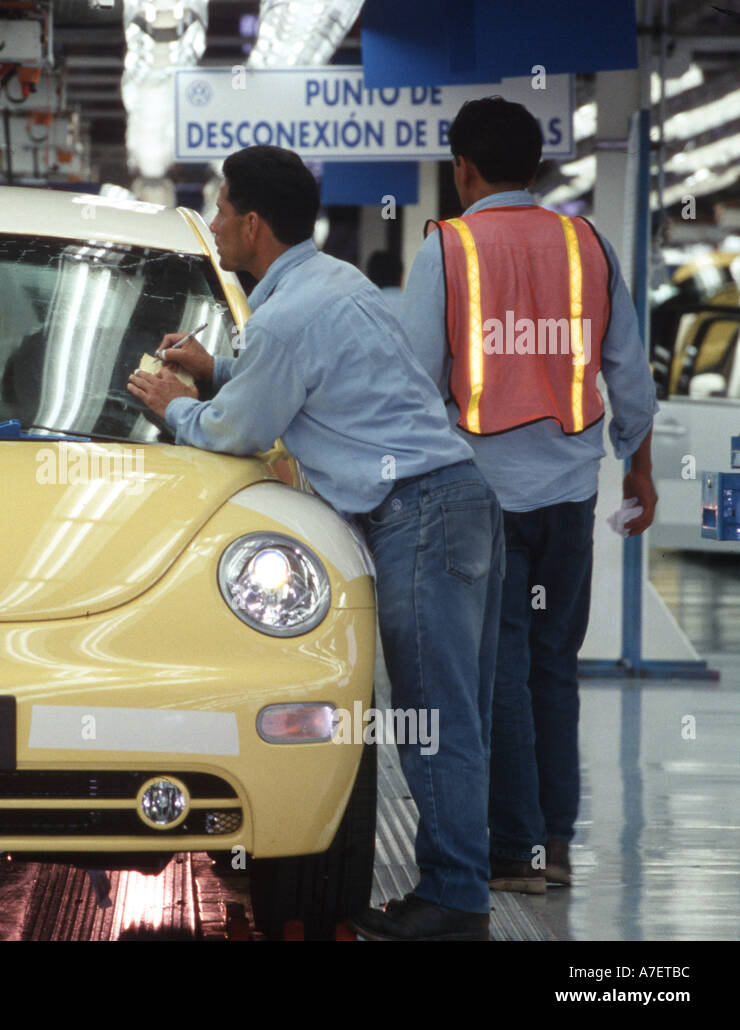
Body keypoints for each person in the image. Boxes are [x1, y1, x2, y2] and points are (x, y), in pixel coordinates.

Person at [127, 145, 504, 941]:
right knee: (456, 710)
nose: (219, 224)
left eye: (224, 210)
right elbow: (295, 379)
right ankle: (458, 887)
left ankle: (456, 902)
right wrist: (220, 366)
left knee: (436, 715)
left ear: (253, 223)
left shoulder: (286, 317)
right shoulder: (335, 284)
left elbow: (236, 433)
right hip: (458, 501)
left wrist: (174, 401)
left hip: (421, 516)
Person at [400, 97, 659, 893]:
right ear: (538, 168)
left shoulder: (449, 248)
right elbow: (630, 373)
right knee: (554, 667)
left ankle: (513, 851)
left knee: (500, 671)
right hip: (571, 493)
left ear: (464, 170)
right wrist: (639, 467)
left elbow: (415, 381)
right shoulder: (588, 245)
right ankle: (554, 841)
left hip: (483, 497)